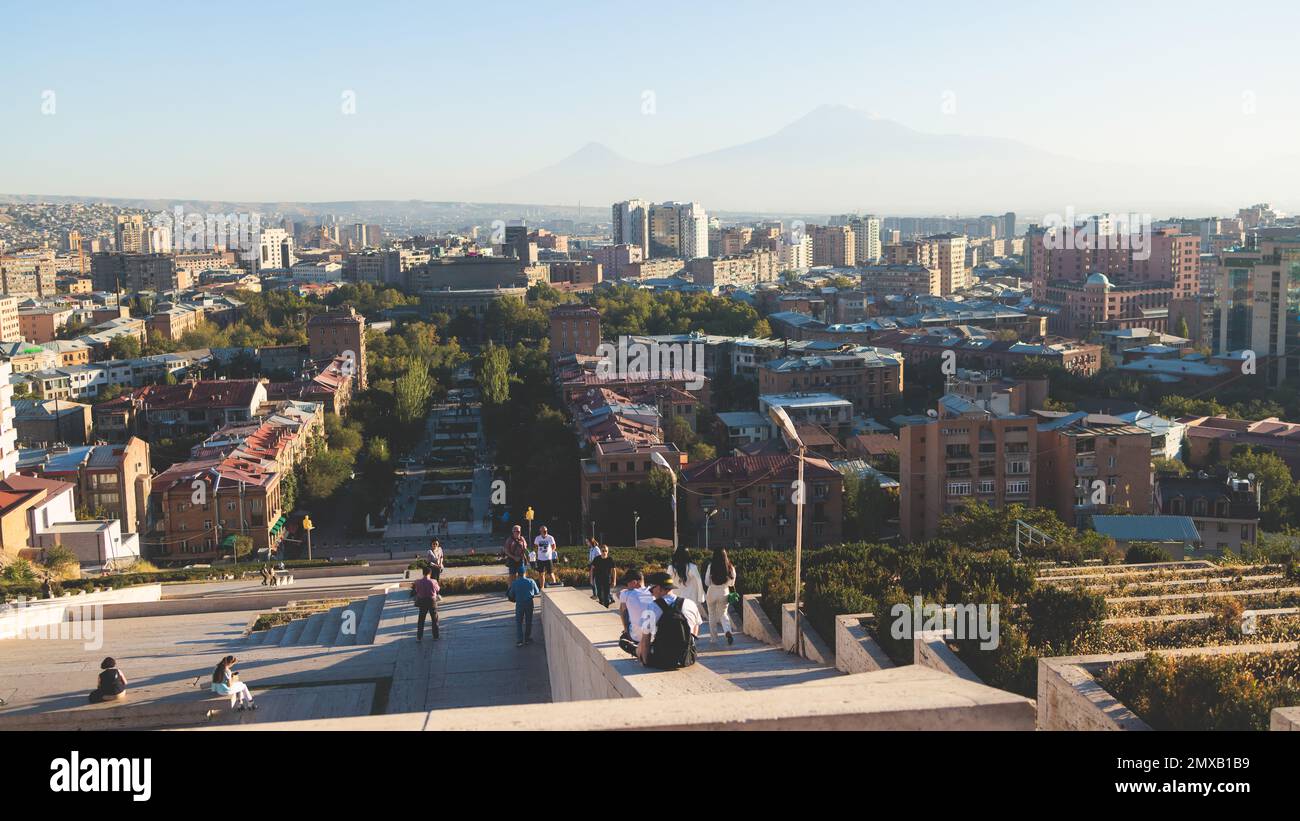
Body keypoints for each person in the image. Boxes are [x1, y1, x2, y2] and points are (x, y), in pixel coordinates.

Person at [637, 572, 701, 669]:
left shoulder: (651, 607)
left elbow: (646, 639)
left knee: (639, 647)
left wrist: (646, 661)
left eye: (651, 589)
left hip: (662, 659)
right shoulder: (690, 604)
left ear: (658, 588)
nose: (651, 592)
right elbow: (696, 625)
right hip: (687, 659)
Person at [702, 547, 737, 647]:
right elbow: (731, 583)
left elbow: (706, 582)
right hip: (724, 592)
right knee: (723, 613)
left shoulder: (710, 566)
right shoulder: (730, 567)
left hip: (712, 591)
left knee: (712, 615)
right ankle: (727, 631)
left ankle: (713, 638)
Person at [617, 569, 654, 656]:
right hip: (653, 636)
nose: (626, 586)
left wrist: (626, 629)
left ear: (634, 582)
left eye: (627, 583)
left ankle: (636, 650)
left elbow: (623, 610)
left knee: (622, 640)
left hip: (636, 637)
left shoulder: (626, 594)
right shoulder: (653, 592)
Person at [509, 570, 541, 647]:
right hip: (529, 603)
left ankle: (519, 641)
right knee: (528, 621)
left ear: (518, 574)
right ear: (525, 573)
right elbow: (537, 592)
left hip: (519, 604)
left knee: (519, 622)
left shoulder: (515, 583)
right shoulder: (531, 581)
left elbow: (511, 594)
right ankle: (527, 639)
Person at [668, 546, 705, 612]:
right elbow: (699, 582)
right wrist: (700, 597)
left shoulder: (671, 568)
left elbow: (668, 582)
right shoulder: (692, 567)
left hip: (675, 598)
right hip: (690, 598)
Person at [412, 565, 441, 641]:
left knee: (421, 619)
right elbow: (438, 589)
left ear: (423, 573)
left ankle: (419, 637)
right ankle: (435, 636)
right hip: (432, 601)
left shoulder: (418, 582)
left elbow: (416, 591)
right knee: (434, 619)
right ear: (430, 573)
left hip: (422, 601)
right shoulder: (434, 581)